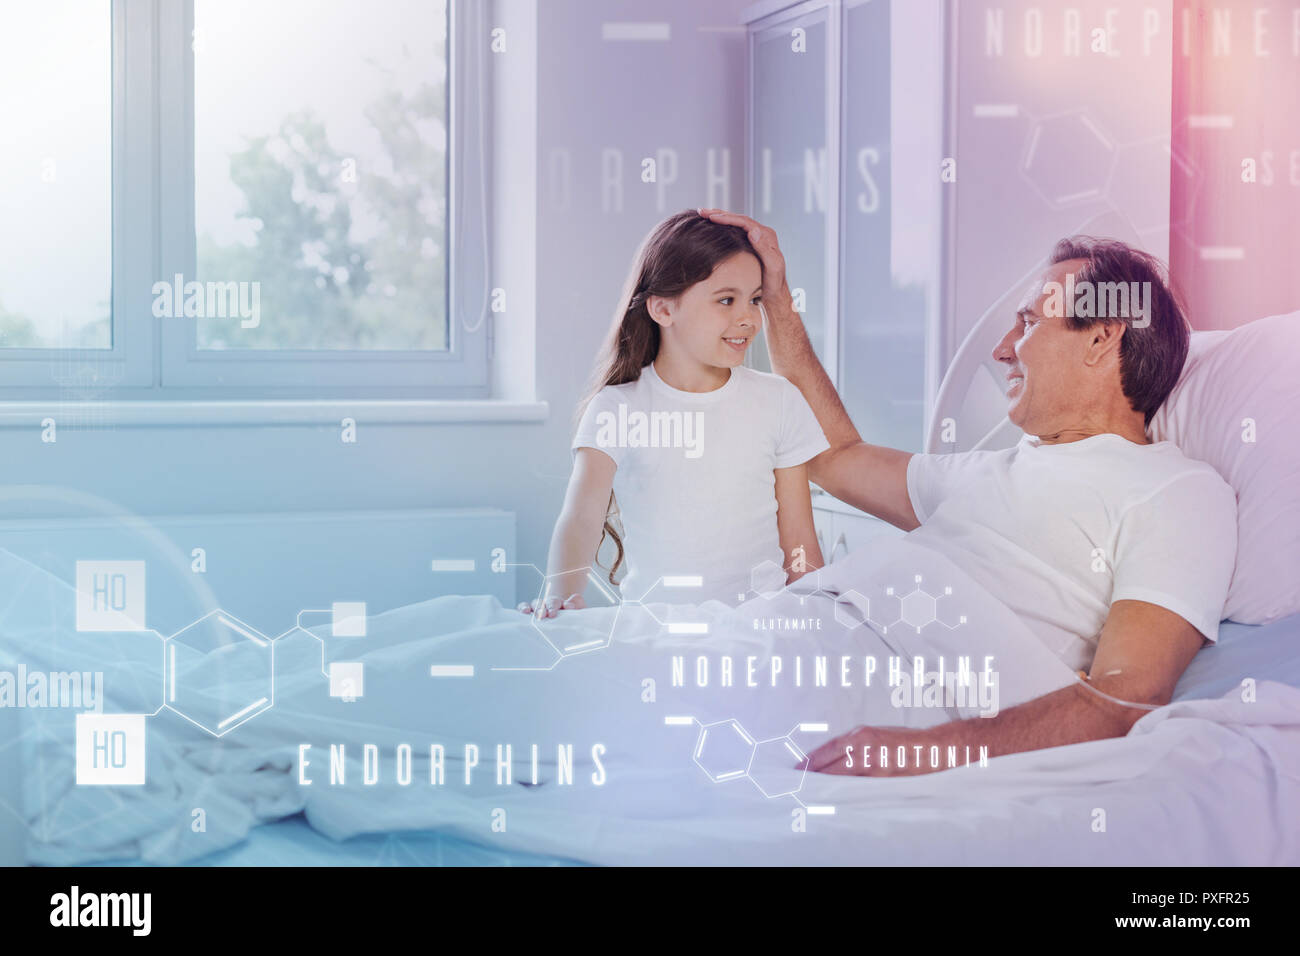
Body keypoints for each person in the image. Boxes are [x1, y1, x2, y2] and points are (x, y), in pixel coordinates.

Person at [699, 208, 1238, 777]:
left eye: (1028, 323)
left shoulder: (1176, 492)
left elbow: (1125, 699)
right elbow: (833, 458)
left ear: (1102, 338)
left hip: (867, 693)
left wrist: (928, 748)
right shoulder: (984, 472)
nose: (1003, 348)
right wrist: (777, 300)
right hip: (784, 640)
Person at [519, 210, 831, 617]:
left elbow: (800, 546)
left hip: (757, 632)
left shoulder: (779, 401)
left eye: (755, 299)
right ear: (663, 310)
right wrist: (559, 597)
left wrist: (820, 619)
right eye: (726, 299)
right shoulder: (618, 408)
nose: (748, 318)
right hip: (656, 636)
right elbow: (580, 518)